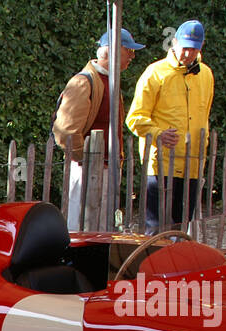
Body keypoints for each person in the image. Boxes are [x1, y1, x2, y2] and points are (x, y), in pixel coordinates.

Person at [125, 19, 215, 234]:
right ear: (174, 43)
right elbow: (135, 117)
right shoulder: (154, 73)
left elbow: (205, 115)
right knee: (156, 231)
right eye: (185, 48)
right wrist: (158, 134)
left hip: (192, 165)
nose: (188, 54)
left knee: (181, 230)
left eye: (194, 49)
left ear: (201, 48)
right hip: (161, 165)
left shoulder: (206, 75)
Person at [52, 27, 144, 231]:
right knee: (80, 226)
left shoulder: (111, 81)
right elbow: (65, 131)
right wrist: (85, 160)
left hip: (106, 169)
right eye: (129, 50)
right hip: (87, 170)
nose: (132, 56)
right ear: (112, 51)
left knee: (102, 228)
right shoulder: (84, 82)